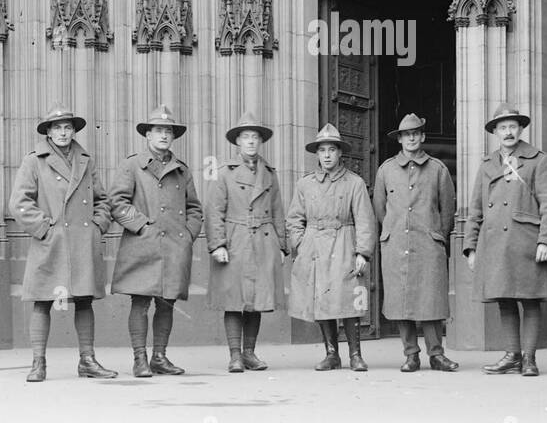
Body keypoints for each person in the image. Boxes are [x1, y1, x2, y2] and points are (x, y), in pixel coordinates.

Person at [8, 106, 114, 382]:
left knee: (83, 300)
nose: (63, 132)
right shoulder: (34, 161)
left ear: (74, 130)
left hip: (82, 242)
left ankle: (87, 361)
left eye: (68, 127)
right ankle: (38, 363)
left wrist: (97, 226)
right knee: (43, 301)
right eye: (57, 128)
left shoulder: (86, 160)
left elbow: (103, 200)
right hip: (51, 242)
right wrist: (44, 229)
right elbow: (19, 203)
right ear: (48, 132)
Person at [464, 104, 547, 376]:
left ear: (521, 129)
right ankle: (512, 355)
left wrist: (546, 240)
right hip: (494, 243)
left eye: (513, 126)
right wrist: (471, 247)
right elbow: (476, 209)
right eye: (502, 127)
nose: (508, 132)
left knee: (529, 300)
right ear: (495, 132)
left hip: (526, 242)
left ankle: (529, 359)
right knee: (504, 300)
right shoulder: (486, 164)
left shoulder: (538, 160)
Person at [109, 106, 204, 377]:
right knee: (140, 303)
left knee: (166, 302)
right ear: (148, 134)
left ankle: (159, 357)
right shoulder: (132, 165)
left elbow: (195, 208)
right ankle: (140, 358)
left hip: (174, 246)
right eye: (159, 130)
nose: (164, 135)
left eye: (168, 131)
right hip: (142, 244)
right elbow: (117, 202)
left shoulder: (182, 170)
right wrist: (142, 226)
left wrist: (187, 235)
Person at [286, 124, 377, 372]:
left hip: (344, 243)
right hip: (314, 248)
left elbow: (365, 220)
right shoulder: (305, 185)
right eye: (322, 150)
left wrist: (363, 252)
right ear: (317, 154)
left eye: (332, 150)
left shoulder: (354, 183)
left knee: (348, 299)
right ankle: (331, 354)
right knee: (321, 300)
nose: (327, 155)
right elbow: (294, 219)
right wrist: (301, 244)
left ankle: (355, 355)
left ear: (340, 154)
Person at [372, 114, 459, 372]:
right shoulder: (385, 170)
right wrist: (394, 229)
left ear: (422, 137)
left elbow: (447, 211)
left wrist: (436, 235)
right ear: (399, 139)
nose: (411, 138)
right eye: (406, 134)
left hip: (428, 243)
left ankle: (436, 354)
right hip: (396, 242)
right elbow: (380, 208)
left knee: (430, 299)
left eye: (415, 133)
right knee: (401, 300)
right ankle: (411, 354)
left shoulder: (438, 169)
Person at [206, 111, 288, 373]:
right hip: (235, 240)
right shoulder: (225, 173)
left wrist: (282, 245)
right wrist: (218, 244)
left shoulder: (270, 174)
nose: (251, 142)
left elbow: (278, 210)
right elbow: (214, 211)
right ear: (238, 142)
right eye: (246, 137)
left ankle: (250, 353)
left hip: (263, 241)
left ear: (260, 142)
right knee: (234, 298)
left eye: (255, 137)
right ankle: (234, 355)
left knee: (257, 299)